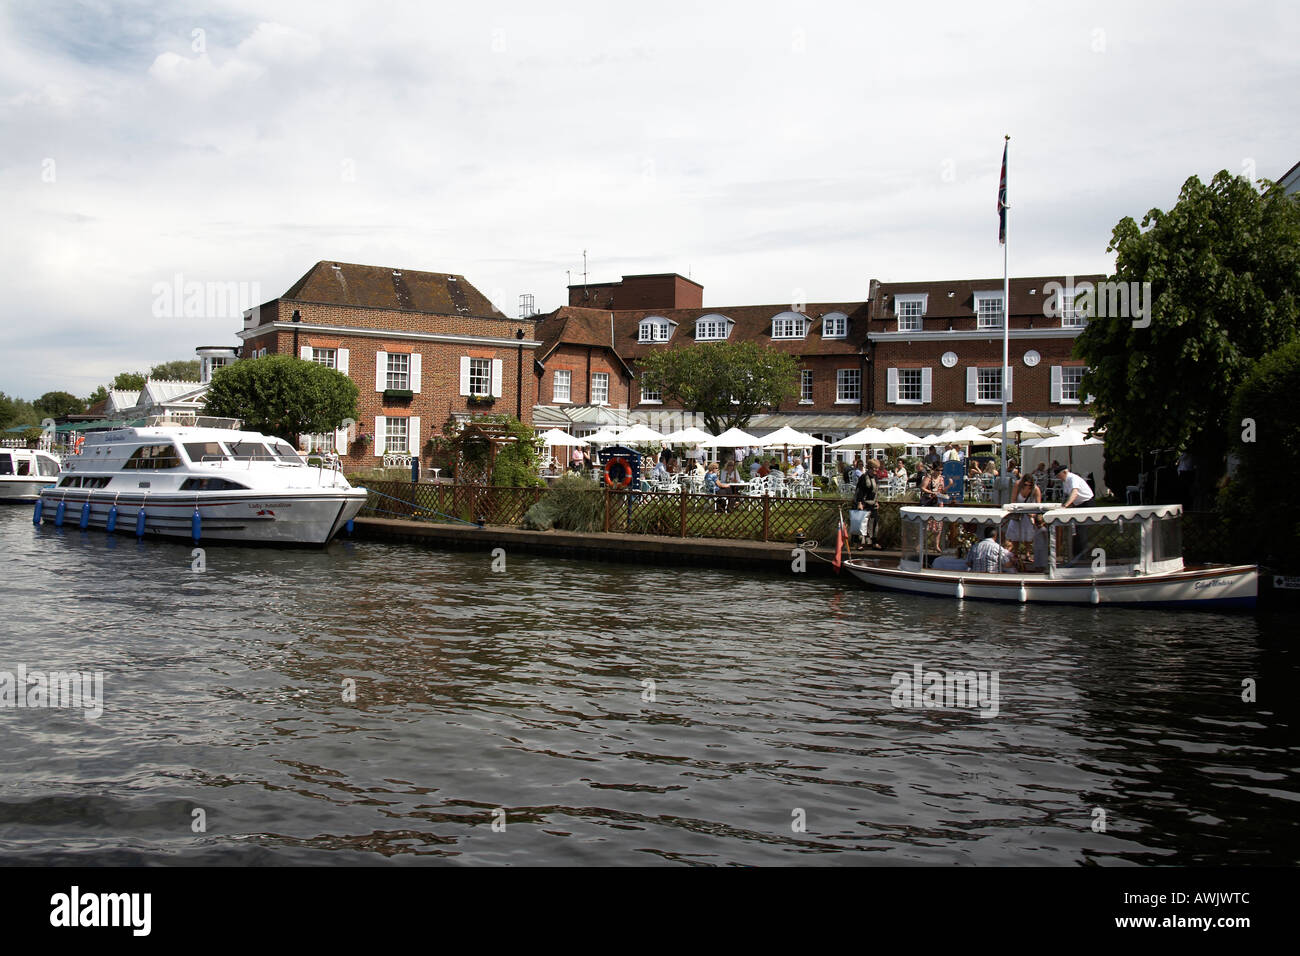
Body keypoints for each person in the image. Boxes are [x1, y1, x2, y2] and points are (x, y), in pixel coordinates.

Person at [1006, 473, 1042, 564]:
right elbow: (1013, 500)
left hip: (1028, 514)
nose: (1027, 486)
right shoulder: (1017, 485)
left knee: (1028, 535)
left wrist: (1033, 514)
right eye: (1025, 484)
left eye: (1029, 485)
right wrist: (1015, 510)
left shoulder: (1036, 489)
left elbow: (1039, 505)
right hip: (1017, 513)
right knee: (1015, 534)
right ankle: (1016, 553)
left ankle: (1027, 554)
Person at [854, 466, 881, 549]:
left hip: (873, 503)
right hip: (864, 503)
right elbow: (859, 491)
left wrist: (876, 501)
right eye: (874, 468)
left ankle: (873, 542)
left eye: (877, 468)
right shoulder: (863, 477)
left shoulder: (876, 477)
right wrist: (859, 503)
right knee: (861, 524)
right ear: (869, 468)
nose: (876, 470)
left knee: (874, 523)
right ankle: (859, 543)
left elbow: (876, 491)